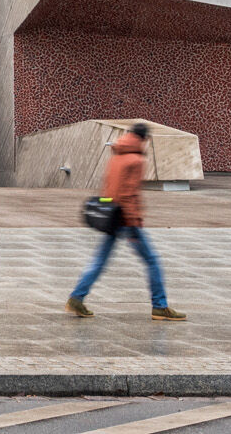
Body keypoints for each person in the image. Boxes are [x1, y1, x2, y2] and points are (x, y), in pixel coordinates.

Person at [65, 122, 185, 320]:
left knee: (100, 260)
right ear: (144, 139)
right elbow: (129, 193)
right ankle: (160, 305)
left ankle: (77, 298)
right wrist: (133, 222)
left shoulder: (117, 155)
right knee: (152, 260)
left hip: (112, 214)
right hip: (126, 218)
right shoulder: (136, 159)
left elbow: (110, 186)